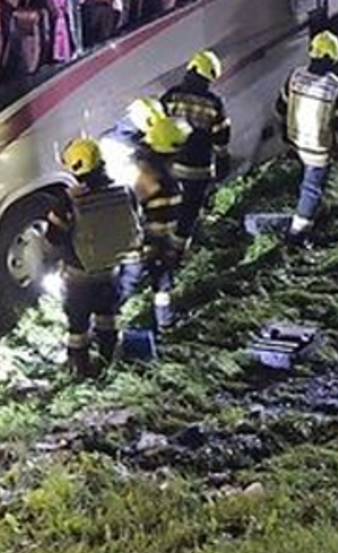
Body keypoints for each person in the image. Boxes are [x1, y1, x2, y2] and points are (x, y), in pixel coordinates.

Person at [44, 137, 141, 377]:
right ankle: (108, 363)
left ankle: (80, 370)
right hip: (111, 272)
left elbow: (53, 238)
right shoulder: (124, 190)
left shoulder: (68, 199)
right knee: (108, 318)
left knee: (78, 327)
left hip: (78, 276)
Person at [275, 30, 338, 240]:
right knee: (312, 187)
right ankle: (299, 231)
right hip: (319, 148)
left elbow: (280, 107)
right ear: (333, 57)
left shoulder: (295, 76)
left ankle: (307, 210)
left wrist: (285, 132)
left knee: (306, 178)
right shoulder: (336, 87)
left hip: (295, 140)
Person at [116, 116, 190, 328]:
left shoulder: (147, 166)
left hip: (155, 241)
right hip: (141, 245)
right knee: (126, 286)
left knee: (163, 282)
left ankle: (166, 321)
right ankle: (98, 325)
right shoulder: (152, 176)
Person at [162, 50, 232, 243]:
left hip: (171, 166)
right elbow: (221, 137)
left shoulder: (171, 97)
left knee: (169, 207)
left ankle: (164, 241)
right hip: (198, 169)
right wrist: (223, 161)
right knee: (190, 210)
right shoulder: (213, 103)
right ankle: (180, 245)